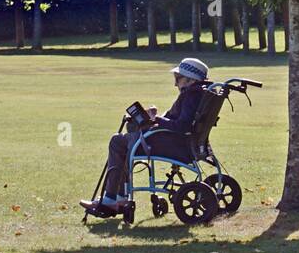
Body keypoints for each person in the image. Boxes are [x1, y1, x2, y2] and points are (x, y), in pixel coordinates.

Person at [80, 58, 209, 217]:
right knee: (122, 141)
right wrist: (156, 118)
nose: (175, 84)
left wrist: (157, 120)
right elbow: (180, 122)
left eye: (178, 78)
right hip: (177, 142)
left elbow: (182, 126)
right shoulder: (199, 93)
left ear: (190, 79)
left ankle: (112, 199)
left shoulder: (191, 96)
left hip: (172, 144)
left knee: (117, 141)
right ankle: (116, 197)